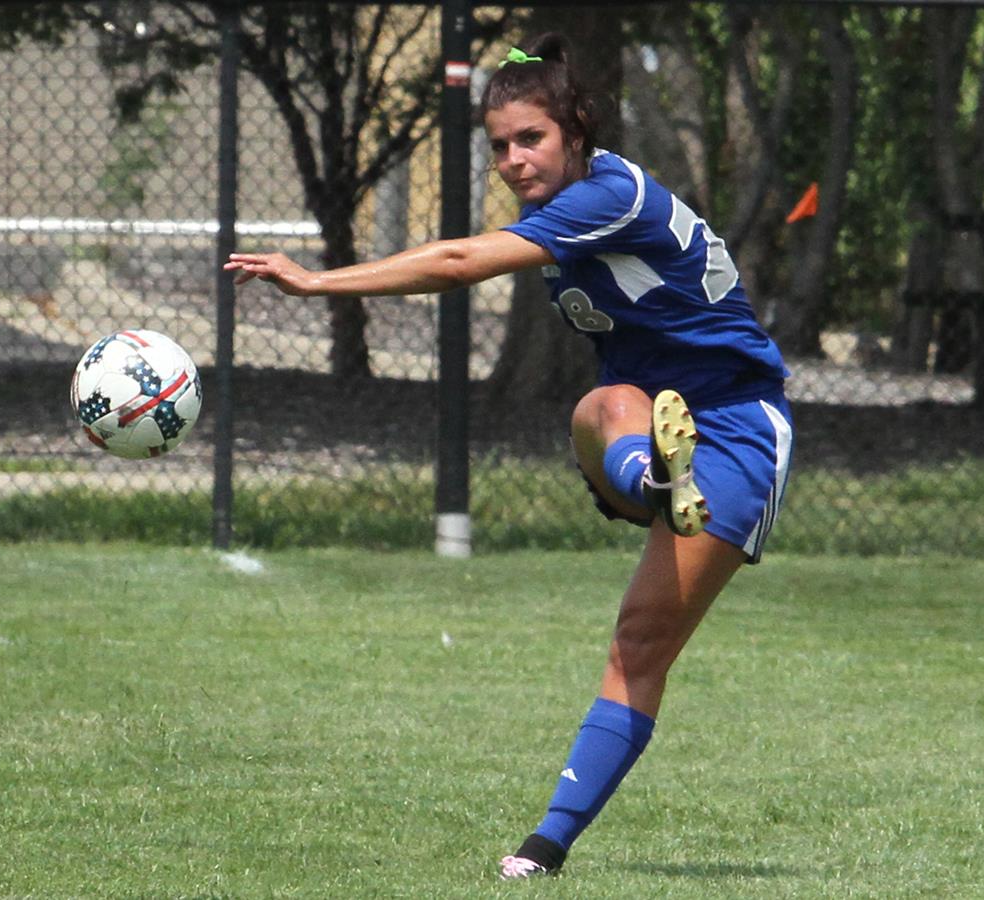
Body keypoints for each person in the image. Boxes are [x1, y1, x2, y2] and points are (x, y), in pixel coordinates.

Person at [225, 33, 794, 880]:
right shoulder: (562, 210)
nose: (514, 159)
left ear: (576, 129)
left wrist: (315, 281)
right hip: (655, 426)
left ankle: (544, 847)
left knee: (639, 642)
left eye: (531, 138)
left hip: (739, 426)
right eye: (499, 145)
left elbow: (458, 263)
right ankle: (657, 479)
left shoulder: (607, 193)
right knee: (602, 405)